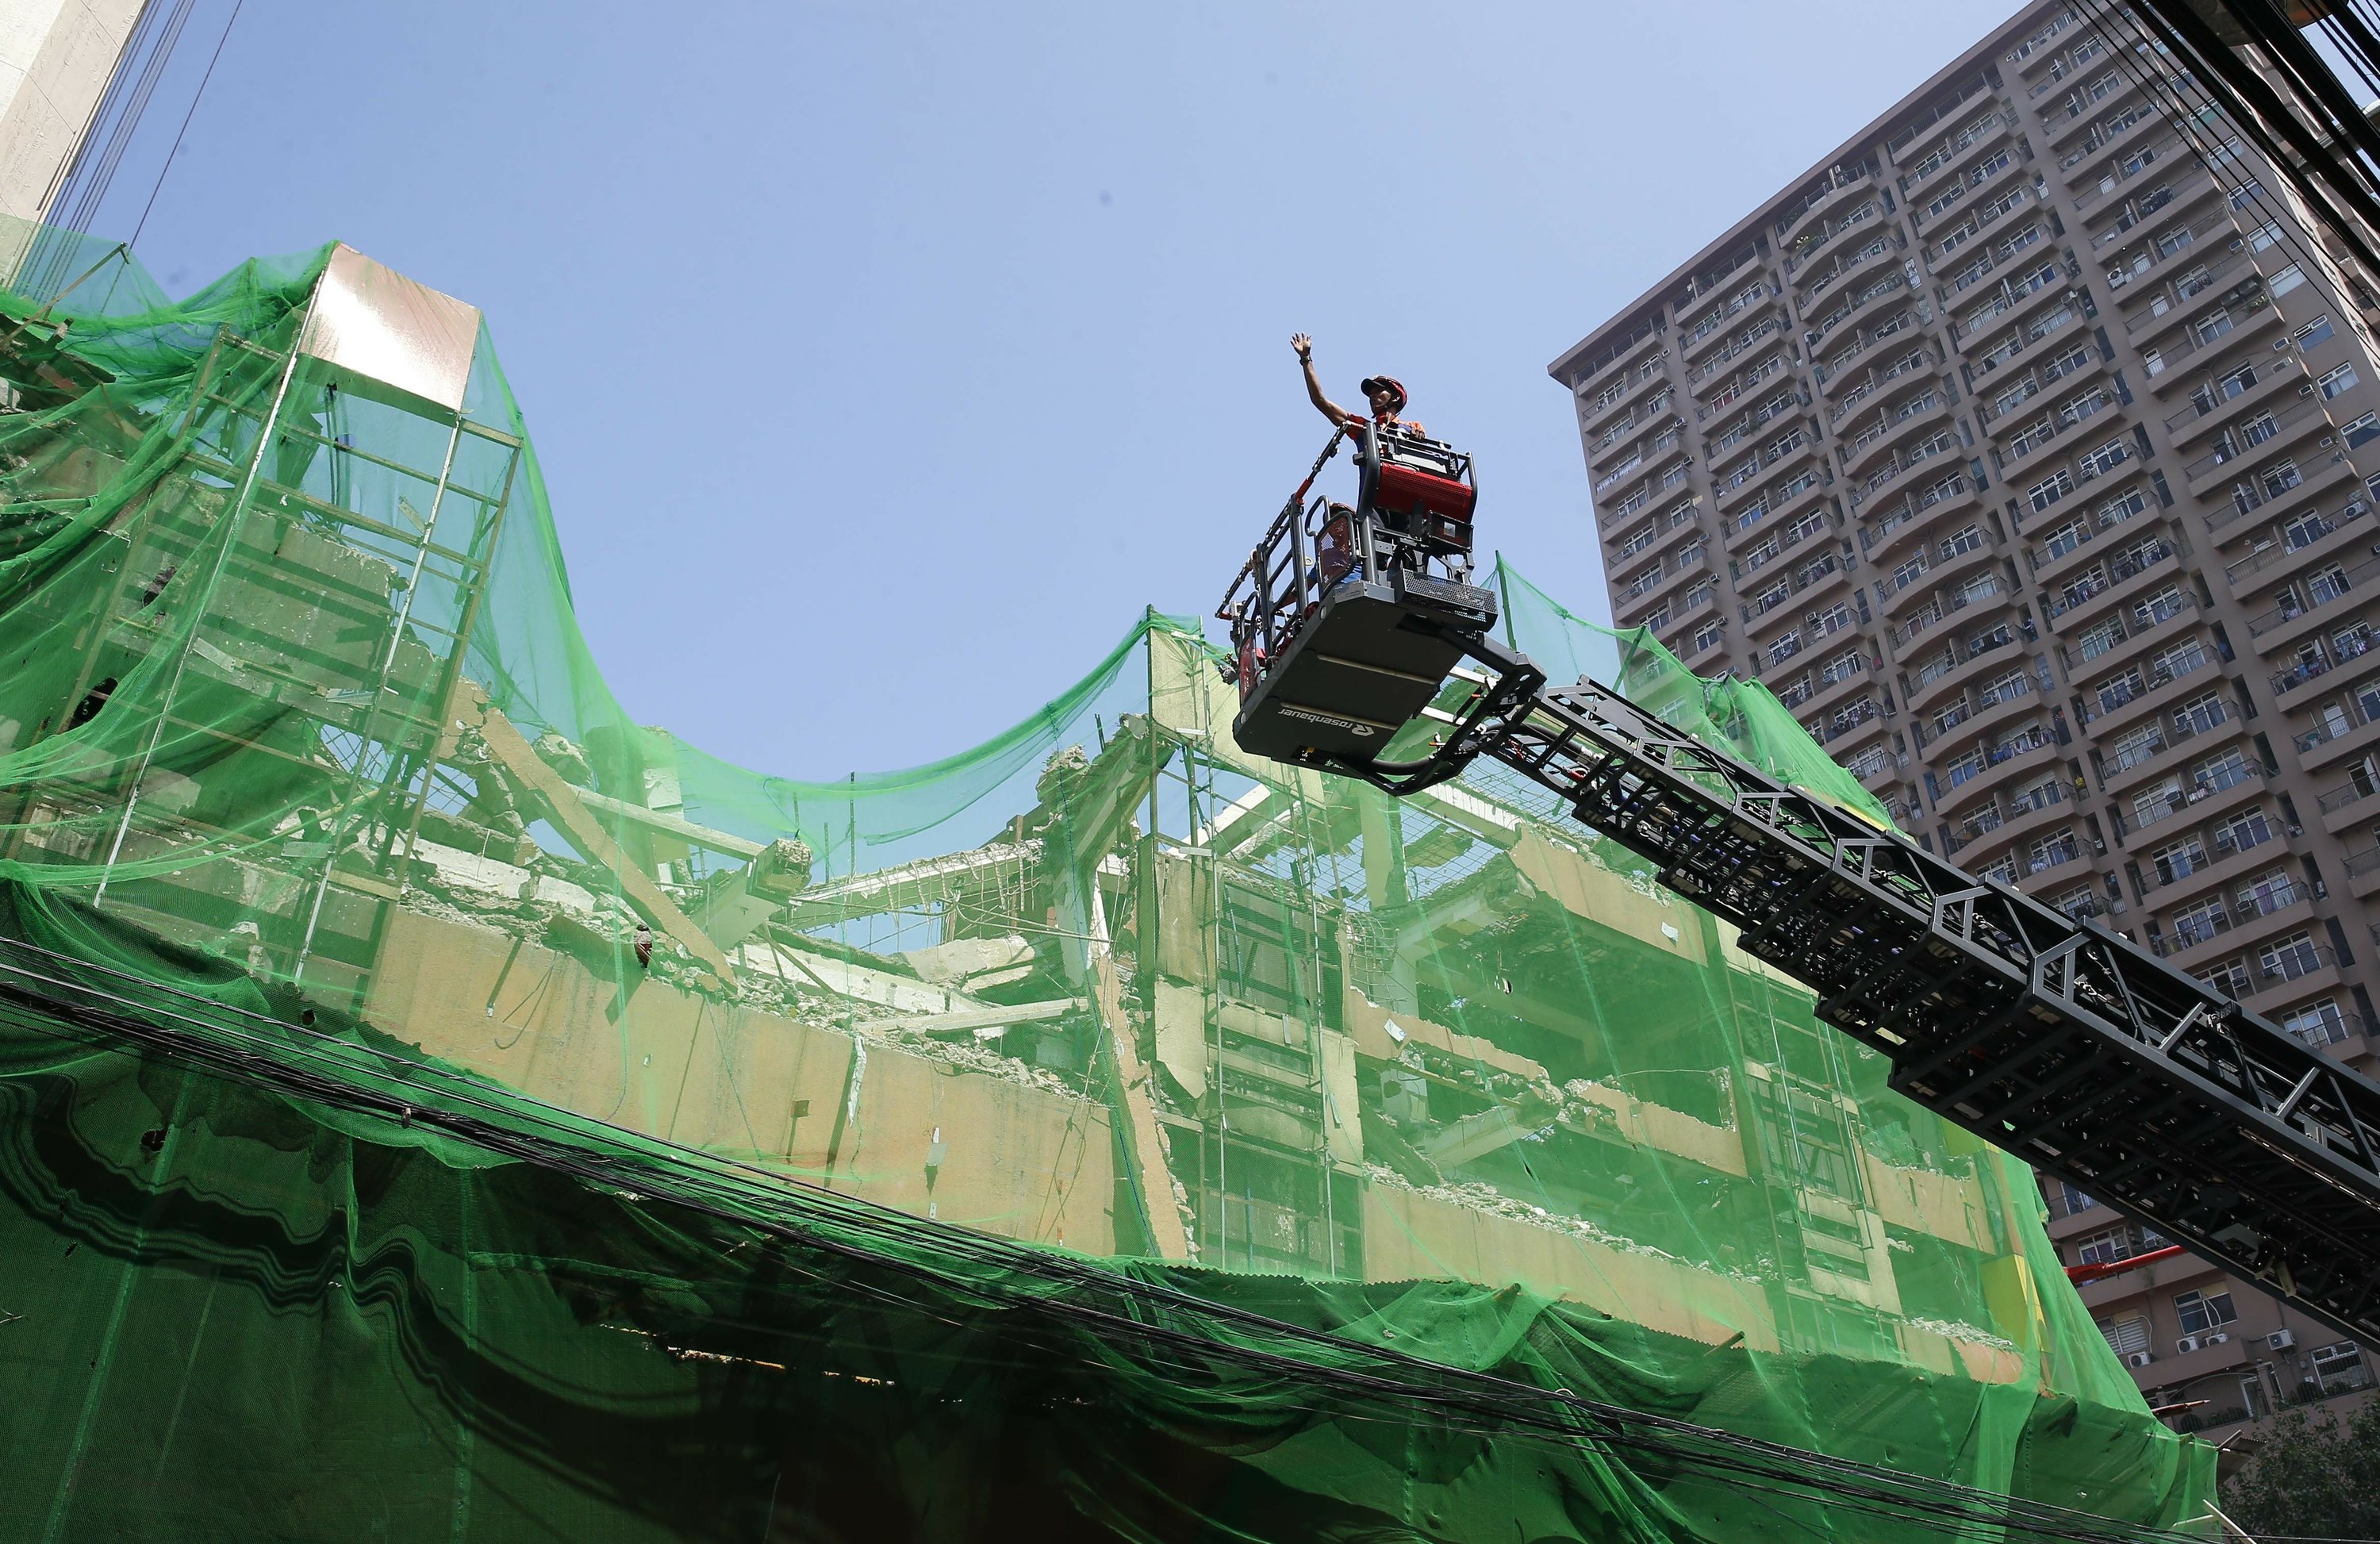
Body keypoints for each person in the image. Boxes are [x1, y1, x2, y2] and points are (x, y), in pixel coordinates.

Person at [1292, 333, 1425, 440]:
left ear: (1395, 397)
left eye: (1379, 391)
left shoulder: (1411, 426)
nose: (1372, 395)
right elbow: (1320, 401)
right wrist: (1306, 359)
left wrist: (1418, 437)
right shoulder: (1363, 428)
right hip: (1377, 474)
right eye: (1371, 393)